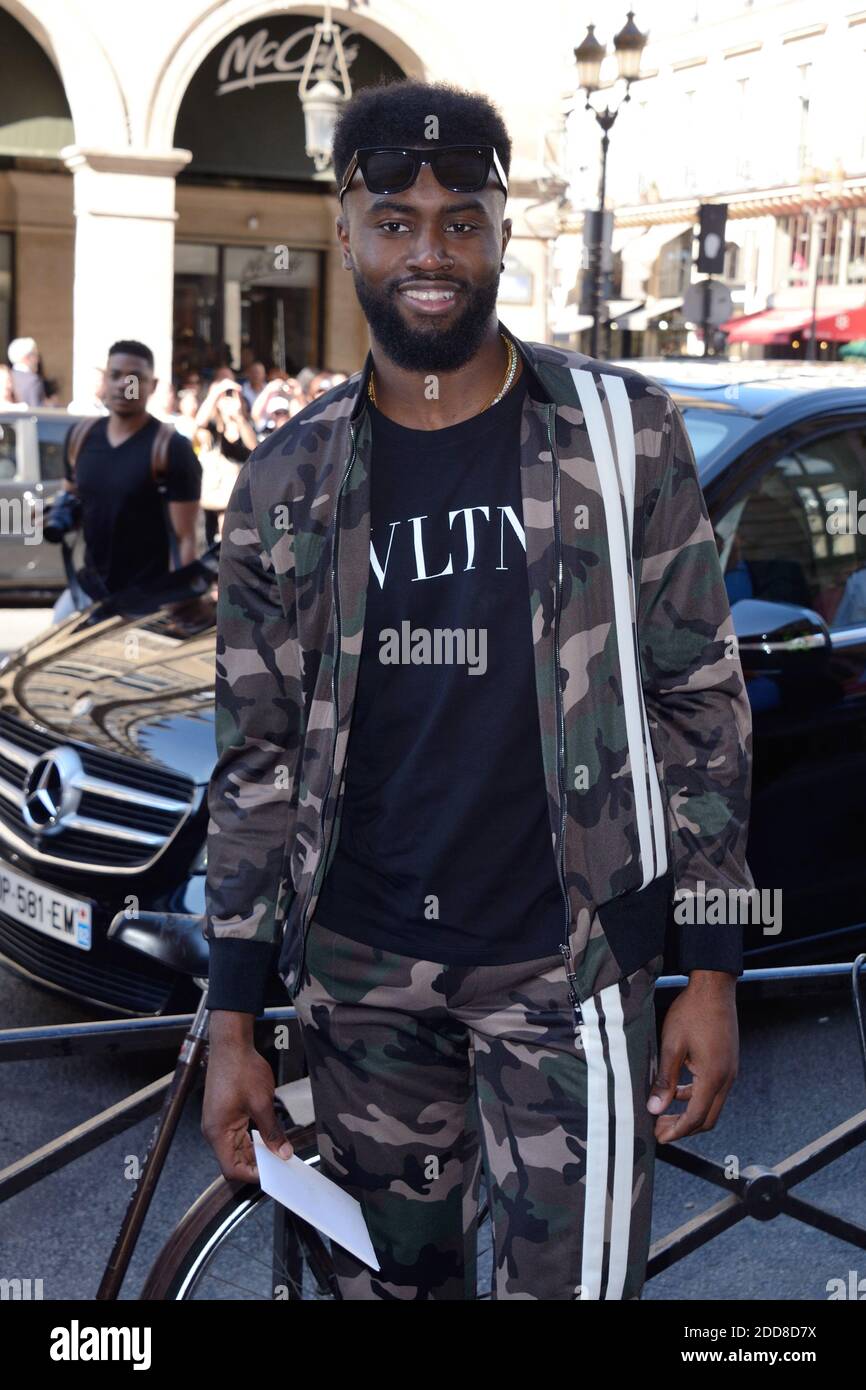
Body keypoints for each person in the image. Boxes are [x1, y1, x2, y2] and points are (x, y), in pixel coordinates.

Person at [202, 79, 754, 1301]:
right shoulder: (285, 482)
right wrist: (231, 1022)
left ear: (504, 232)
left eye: (461, 220)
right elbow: (256, 762)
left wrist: (711, 968)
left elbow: (700, 705)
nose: (429, 251)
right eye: (394, 221)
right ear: (344, 233)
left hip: (567, 972)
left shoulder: (620, 434)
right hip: (358, 983)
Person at [50, 339, 201, 623]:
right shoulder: (80, 437)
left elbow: (185, 538)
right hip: (90, 591)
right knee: (51, 646)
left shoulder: (171, 448)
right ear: (105, 380)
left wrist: (179, 602)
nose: (124, 385)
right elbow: (70, 496)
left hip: (147, 602)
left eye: (135, 378)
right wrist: (56, 515)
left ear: (152, 385)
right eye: (116, 375)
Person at [195, 378, 257, 545]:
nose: (228, 402)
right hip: (213, 496)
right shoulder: (211, 428)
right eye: (224, 398)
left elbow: (253, 447)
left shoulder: (246, 425)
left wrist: (239, 417)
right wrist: (216, 393)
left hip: (238, 500)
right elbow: (199, 422)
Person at [7, 336, 45, 407]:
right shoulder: (33, 381)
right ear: (26, 358)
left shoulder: (6, 378)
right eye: (35, 355)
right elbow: (37, 410)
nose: (38, 360)